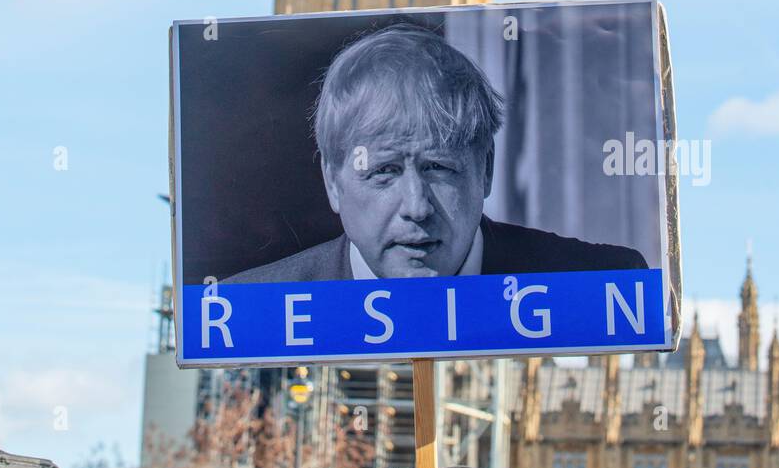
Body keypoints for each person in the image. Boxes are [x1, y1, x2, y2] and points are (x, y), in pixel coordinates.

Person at [224, 24, 647, 282]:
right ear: (332, 181)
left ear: (485, 170)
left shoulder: (604, 282)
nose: (416, 207)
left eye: (439, 167)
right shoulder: (243, 307)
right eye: (384, 171)